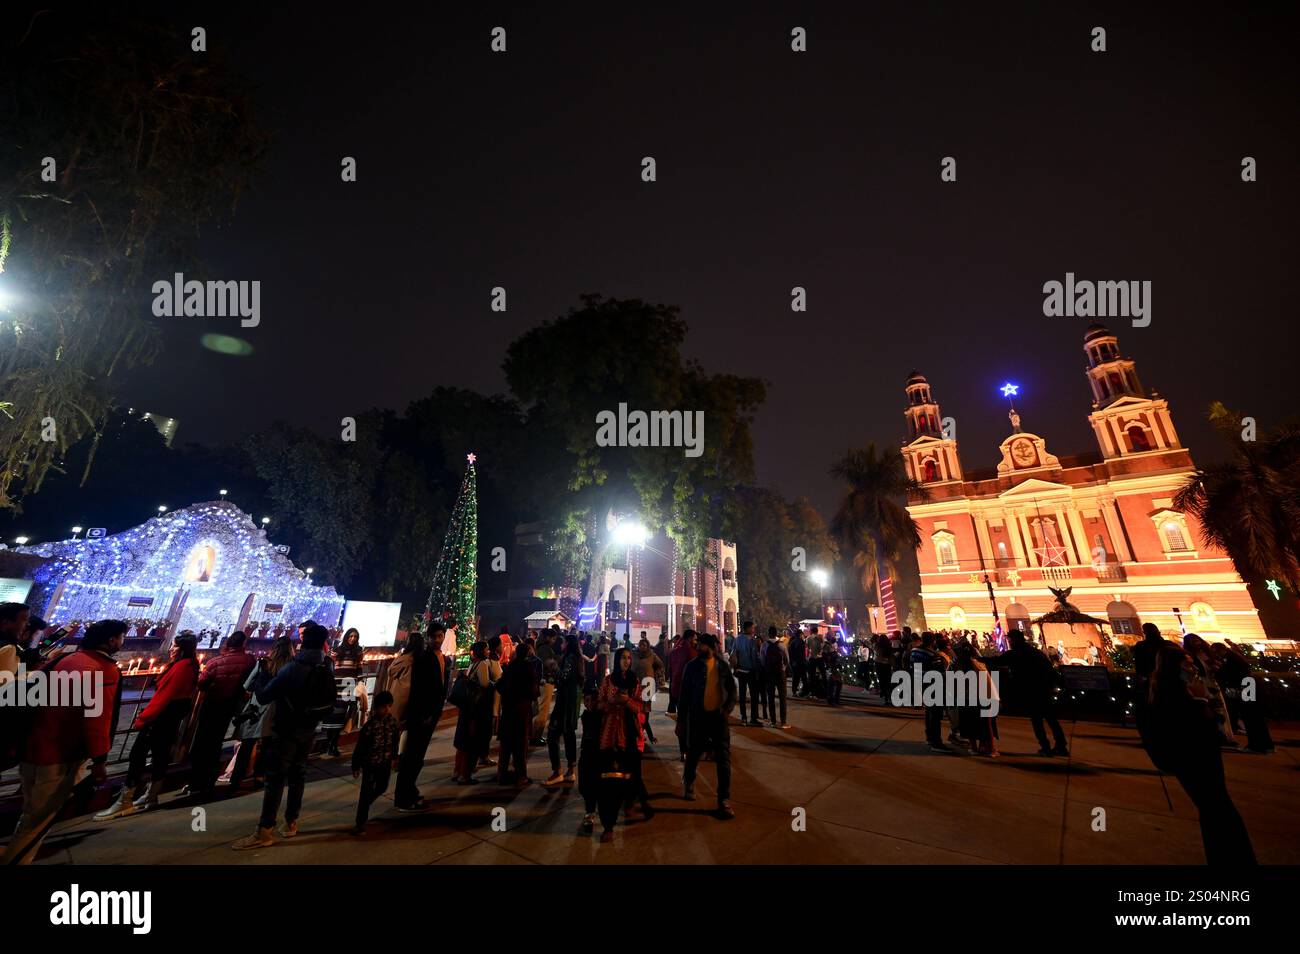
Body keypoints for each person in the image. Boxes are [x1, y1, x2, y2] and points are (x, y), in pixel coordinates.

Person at [2, 619, 125, 865]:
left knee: (31, 815)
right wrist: (100, 760)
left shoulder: (65, 660)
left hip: (32, 748)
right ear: (111, 640)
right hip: (59, 755)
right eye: (121, 637)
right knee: (38, 822)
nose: (122, 642)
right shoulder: (103, 669)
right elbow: (96, 719)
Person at [1141, 645, 1256, 864]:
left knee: (1213, 811)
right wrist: (1202, 702)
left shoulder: (1161, 687)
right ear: (1174, 666)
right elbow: (1196, 726)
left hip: (1192, 760)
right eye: (1188, 663)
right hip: (1197, 760)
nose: (1193, 668)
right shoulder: (1176, 692)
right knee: (1219, 810)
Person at [233, 623, 335, 849]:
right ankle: (291, 822)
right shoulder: (325, 666)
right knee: (298, 775)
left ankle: (265, 830)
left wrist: (261, 677)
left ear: (303, 642)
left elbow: (265, 695)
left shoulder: (294, 668)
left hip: (286, 730)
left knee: (275, 779)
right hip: (309, 730)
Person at [98, 631, 200, 818]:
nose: (171, 650)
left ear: (183, 649)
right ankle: (150, 795)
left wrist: (143, 718)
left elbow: (164, 697)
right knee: (160, 755)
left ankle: (125, 799)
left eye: (175, 646)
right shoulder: (190, 666)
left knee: (138, 754)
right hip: (170, 718)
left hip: (161, 718)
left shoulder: (182, 668)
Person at [186, 629, 256, 800]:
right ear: (243, 644)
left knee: (202, 743)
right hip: (234, 705)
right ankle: (209, 782)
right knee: (216, 743)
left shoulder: (216, 662)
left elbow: (202, 683)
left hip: (213, 704)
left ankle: (196, 782)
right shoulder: (249, 660)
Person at [595, 647, 652, 842]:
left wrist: (627, 701)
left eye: (629, 658)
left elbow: (642, 708)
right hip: (610, 735)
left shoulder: (635, 682)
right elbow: (599, 703)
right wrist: (610, 703)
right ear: (616, 660)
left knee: (632, 775)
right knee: (609, 782)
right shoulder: (608, 681)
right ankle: (608, 826)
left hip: (630, 736)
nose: (626, 661)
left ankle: (629, 806)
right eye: (623, 658)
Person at [678, 633, 736, 819]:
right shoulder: (692, 667)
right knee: (693, 754)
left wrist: (727, 710)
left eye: (701, 645)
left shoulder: (723, 667)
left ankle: (723, 800)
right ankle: (689, 782)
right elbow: (684, 695)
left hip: (718, 719)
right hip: (698, 718)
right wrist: (681, 720)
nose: (697, 647)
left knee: (724, 760)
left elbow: (732, 690)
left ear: (709, 647)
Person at [228, 637, 292, 791]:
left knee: (247, 745)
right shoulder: (290, 665)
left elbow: (247, 685)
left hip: (256, 708)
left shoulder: (264, 662)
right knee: (267, 746)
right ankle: (259, 776)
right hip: (275, 708)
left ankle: (236, 778)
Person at [394, 631, 443, 811]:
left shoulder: (414, 659)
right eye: (435, 637)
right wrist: (428, 713)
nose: (439, 640)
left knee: (413, 757)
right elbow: (426, 690)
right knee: (412, 757)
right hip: (420, 717)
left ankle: (408, 792)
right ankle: (404, 798)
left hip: (416, 715)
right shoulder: (423, 660)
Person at [999, 629, 1068, 756]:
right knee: (1051, 719)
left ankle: (1045, 747)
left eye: (1010, 639)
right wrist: (1059, 684)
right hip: (1043, 690)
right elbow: (1049, 669)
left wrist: (977, 659)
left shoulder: (1017, 652)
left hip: (1032, 691)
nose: (1009, 642)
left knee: (1037, 721)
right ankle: (1061, 746)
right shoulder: (1035, 652)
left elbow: (998, 661)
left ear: (1015, 640)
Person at [451, 641, 501, 783]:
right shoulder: (483, 664)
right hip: (476, 707)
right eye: (486, 649)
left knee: (462, 740)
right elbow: (485, 683)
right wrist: (496, 683)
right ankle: (464, 775)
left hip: (467, 706)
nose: (488, 651)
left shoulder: (473, 663)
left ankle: (456, 771)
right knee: (471, 740)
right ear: (482, 651)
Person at [350, 690, 399, 834]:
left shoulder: (392, 723)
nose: (387, 709)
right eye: (384, 707)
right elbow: (360, 747)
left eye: (389, 706)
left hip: (385, 763)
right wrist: (356, 765)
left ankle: (367, 802)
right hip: (370, 764)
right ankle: (360, 823)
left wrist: (395, 758)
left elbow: (395, 742)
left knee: (382, 786)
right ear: (377, 708)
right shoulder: (370, 726)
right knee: (365, 792)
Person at [1216, 640, 1273, 753]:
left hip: (1244, 686)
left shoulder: (1230, 659)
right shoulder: (1236, 656)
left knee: (1250, 715)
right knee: (1255, 716)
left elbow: (1228, 674)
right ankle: (1266, 744)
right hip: (1248, 684)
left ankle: (1256, 745)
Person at [496, 639, 539, 785]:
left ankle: (501, 774)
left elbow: (499, 685)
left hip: (508, 708)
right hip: (521, 709)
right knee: (520, 744)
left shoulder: (510, 667)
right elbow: (533, 690)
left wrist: (507, 695)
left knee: (506, 743)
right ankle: (521, 776)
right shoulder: (528, 667)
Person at [543, 634, 584, 785]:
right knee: (568, 735)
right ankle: (570, 771)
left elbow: (564, 677)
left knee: (553, 735)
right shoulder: (578, 659)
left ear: (568, 644)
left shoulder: (570, 659)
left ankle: (557, 771)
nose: (561, 646)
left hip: (565, 703)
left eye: (563, 643)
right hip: (572, 702)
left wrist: (553, 667)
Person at [953, 642, 999, 756]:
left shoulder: (957, 666)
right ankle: (991, 748)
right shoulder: (979, 665)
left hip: (967, 699)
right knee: (986, 724)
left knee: (969, 723)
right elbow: (988, 683)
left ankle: (974, 747)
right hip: (983, 698)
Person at [911, 632, 949, 751]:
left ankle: (929, 737)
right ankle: (936, 742)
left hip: (920, 683)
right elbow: (939, 674)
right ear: (933, 641)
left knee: (929, 712)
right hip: (933, 685)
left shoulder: (914, 651)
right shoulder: (933, 655)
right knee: (936, 714)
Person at [630, 636, 664, 743]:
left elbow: (660, 665)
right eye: (640, 645)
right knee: (635, 709)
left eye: (644, 645)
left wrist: (655, 673)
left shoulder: (652, 655)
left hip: (648, 684)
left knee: (645, 711)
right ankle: (638, 732)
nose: (642, 647)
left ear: (647, 646)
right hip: (635, 684)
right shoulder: (634, 655)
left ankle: (645, 733)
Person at [577, 691, 602, 833]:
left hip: (597, 754)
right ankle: (590, 810)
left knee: (594, 785)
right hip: (587, 754)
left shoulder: (599, 715)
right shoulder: (586, 716)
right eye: (587, 700)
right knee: (585, 785)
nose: (590, 703)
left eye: (593, 701)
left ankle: (590, 812)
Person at [731, 620, 762, 725]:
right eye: (752, 628)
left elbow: (733, 654)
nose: (754, 630)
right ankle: (753, 718)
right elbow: (755, 657)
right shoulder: (753, 640)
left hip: (741, 670)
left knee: (742, 695)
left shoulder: (737, 639)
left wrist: (735, 668)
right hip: (750, 671)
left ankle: (743, 718)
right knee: (754, 695)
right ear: (748, 628)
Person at [667, 630, 697, 729]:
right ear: (690, 638)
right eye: (695, 639)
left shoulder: (675, 649)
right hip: (685, 687)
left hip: (675, 684)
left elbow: (670, 668)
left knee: (681, 715)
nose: (696, 641)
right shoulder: (689, 650)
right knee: (686, 717)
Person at [763, 626, 790, 728]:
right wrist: (784, 667)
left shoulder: (765, 645)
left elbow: (762, 659)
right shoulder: (782, 645)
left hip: (769, 674)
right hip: (780, 673)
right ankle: (783, 722)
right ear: (776, 633)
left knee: (770, 697)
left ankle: (773, 721)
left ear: (769, 633)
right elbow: (787, 660)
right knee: (782, 698)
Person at [874, 633, 894, 703]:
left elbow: (876, 654)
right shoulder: (889, 646)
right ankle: (890, 697)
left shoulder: (877, 646)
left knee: (882, 680)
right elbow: (891, 656)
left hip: (879, 664)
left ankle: (885, 698)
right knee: (888, 681)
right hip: (887, 665)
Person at [788, 627, 808, 697]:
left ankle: (794, 691)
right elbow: (802, 654)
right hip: (800, 663)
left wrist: (792, 661)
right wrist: (804, 662)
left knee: (795, 678)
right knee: (804, 677)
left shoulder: (792, 642)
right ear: (800, 635)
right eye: (802, 634)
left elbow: (790, 653)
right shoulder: (801, 642)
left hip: (794, 663)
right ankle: (805, 691)